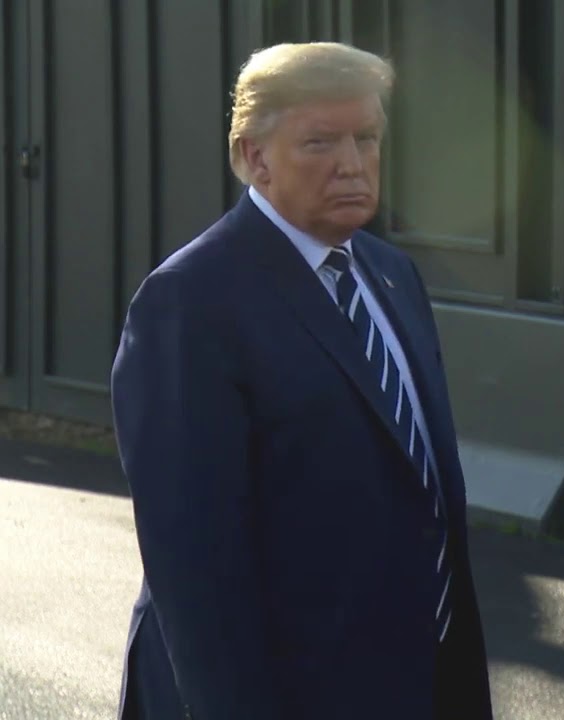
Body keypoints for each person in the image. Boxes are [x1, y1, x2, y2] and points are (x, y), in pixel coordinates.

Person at [111, 42, 492, 719]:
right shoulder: (191, 303)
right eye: (320, 142)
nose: (352, 162)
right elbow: (195, 566)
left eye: (366, 138)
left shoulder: (391, 275)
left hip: (415, 682)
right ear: (255, 158)